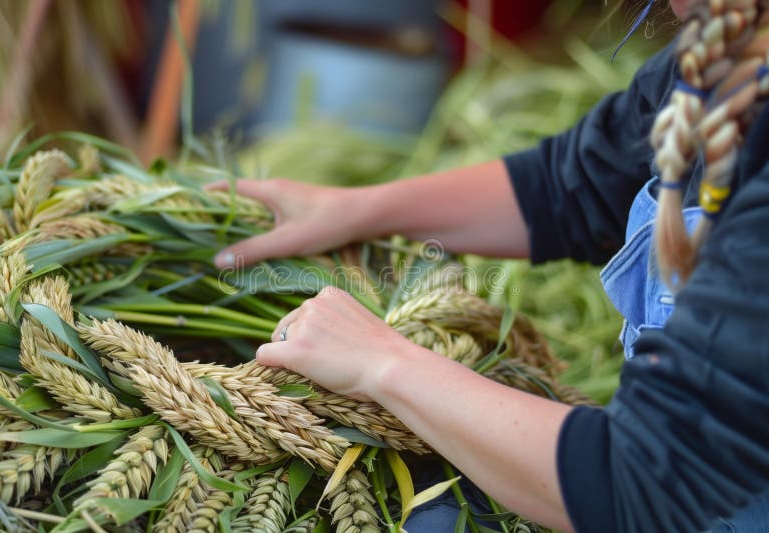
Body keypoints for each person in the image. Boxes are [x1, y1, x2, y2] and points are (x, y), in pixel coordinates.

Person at [208, 0, 769, 531]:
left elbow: (646, 479)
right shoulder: (727, 56)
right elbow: (569, 188)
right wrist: (352, 209)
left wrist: (380, 362)